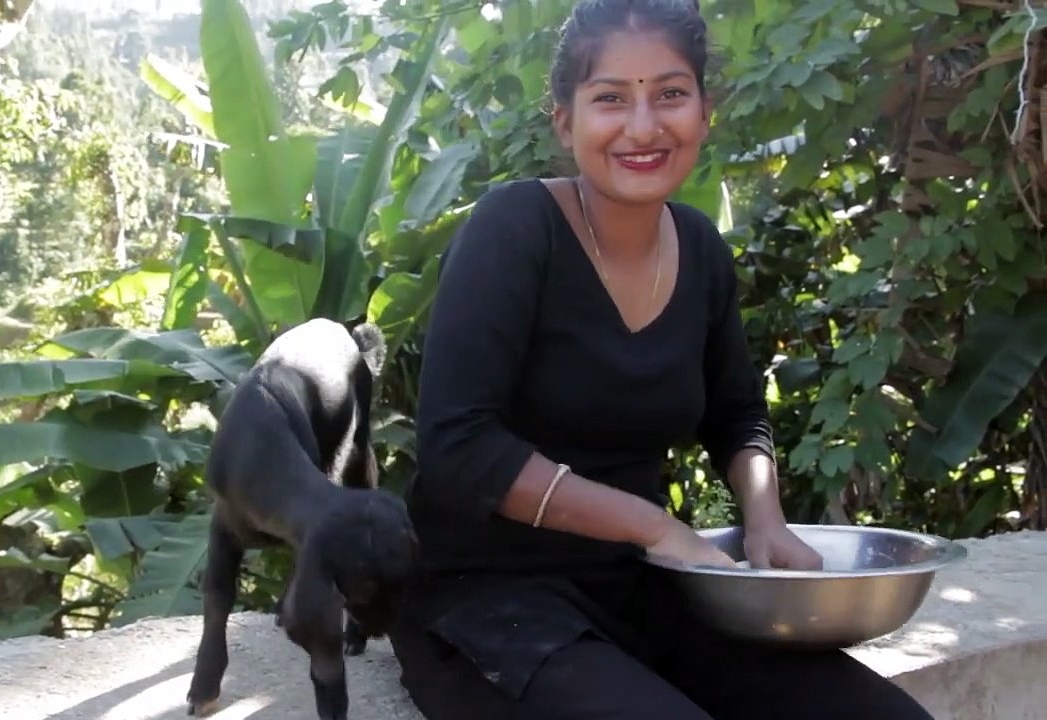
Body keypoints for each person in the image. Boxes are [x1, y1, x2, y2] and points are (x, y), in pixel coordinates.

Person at [385, 0, 937, 718]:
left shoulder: (699, 247)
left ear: (705, 113)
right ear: (566, 122)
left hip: (647, 585)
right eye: (611, 98)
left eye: (670, 94)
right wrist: (655, 525)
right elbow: (458, 447)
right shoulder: (514, 230)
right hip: (489, 603)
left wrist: (765, 519)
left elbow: (736, 412)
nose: (644, 128)